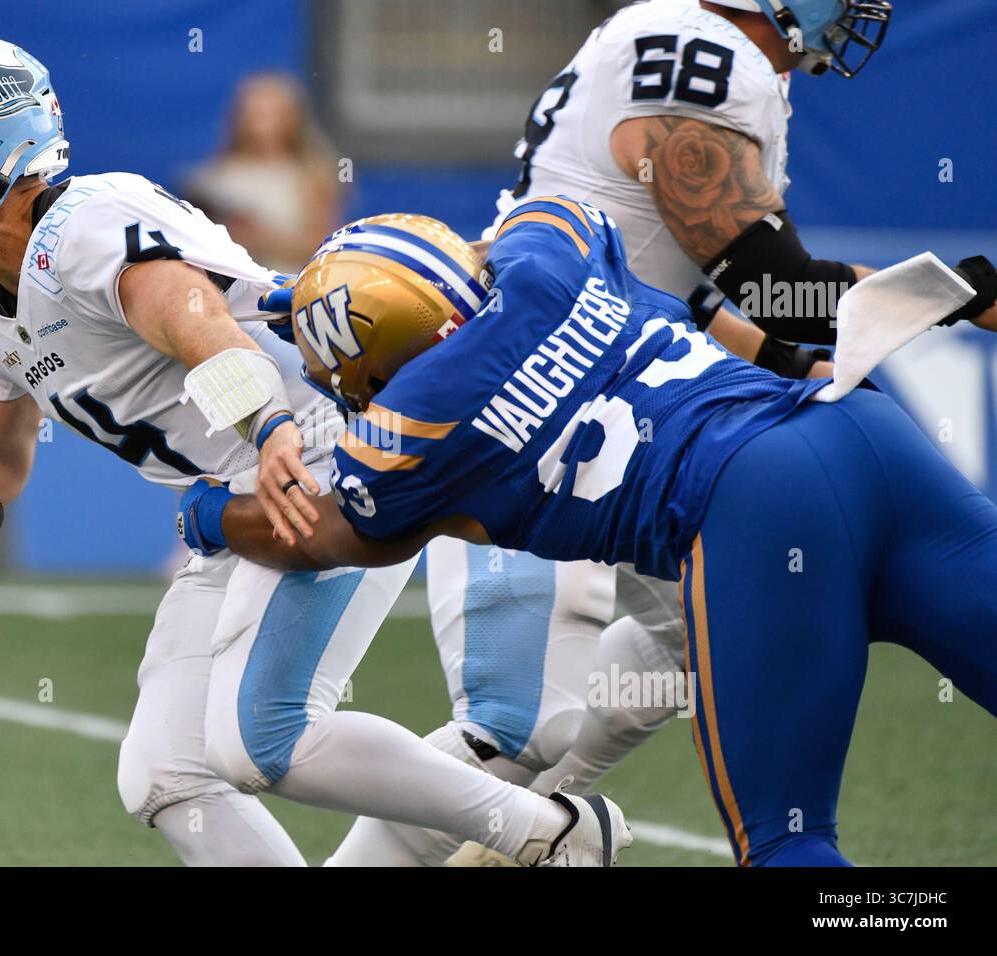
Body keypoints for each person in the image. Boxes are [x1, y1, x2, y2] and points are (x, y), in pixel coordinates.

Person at [0, 35, 630, 868]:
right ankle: (539, 832)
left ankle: (549, 836)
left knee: (264, 738)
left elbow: (197, 324)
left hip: (324, 444)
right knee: (166, 774)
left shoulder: (82, 228)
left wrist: (269, 430)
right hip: (245, 479)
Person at [334, 0, 997, 866]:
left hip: (618, 400)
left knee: (667, 660)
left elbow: (681, 290)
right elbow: (769, 277)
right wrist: (961, 292)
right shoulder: (704, 49)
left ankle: (536, 827)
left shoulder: (674, 44)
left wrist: (791, 366)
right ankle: (528, 832)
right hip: (538, 417)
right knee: (525, 718)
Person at [181, 200, 997, 866]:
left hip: (755, 506)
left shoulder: (413, 428)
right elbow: (501, 241)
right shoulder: (550, 249)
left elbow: (320, 538)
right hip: (860, 430)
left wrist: (210, 514)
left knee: (791, 842)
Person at [185, 73, 343, 275]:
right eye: (254, 115)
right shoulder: (218, 175)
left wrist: (260, 237)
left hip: (288, 290)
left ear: (291, 119)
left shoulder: (311, 175)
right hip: (233, 289)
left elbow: (325, 245)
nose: (260, 126)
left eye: (271, 116)